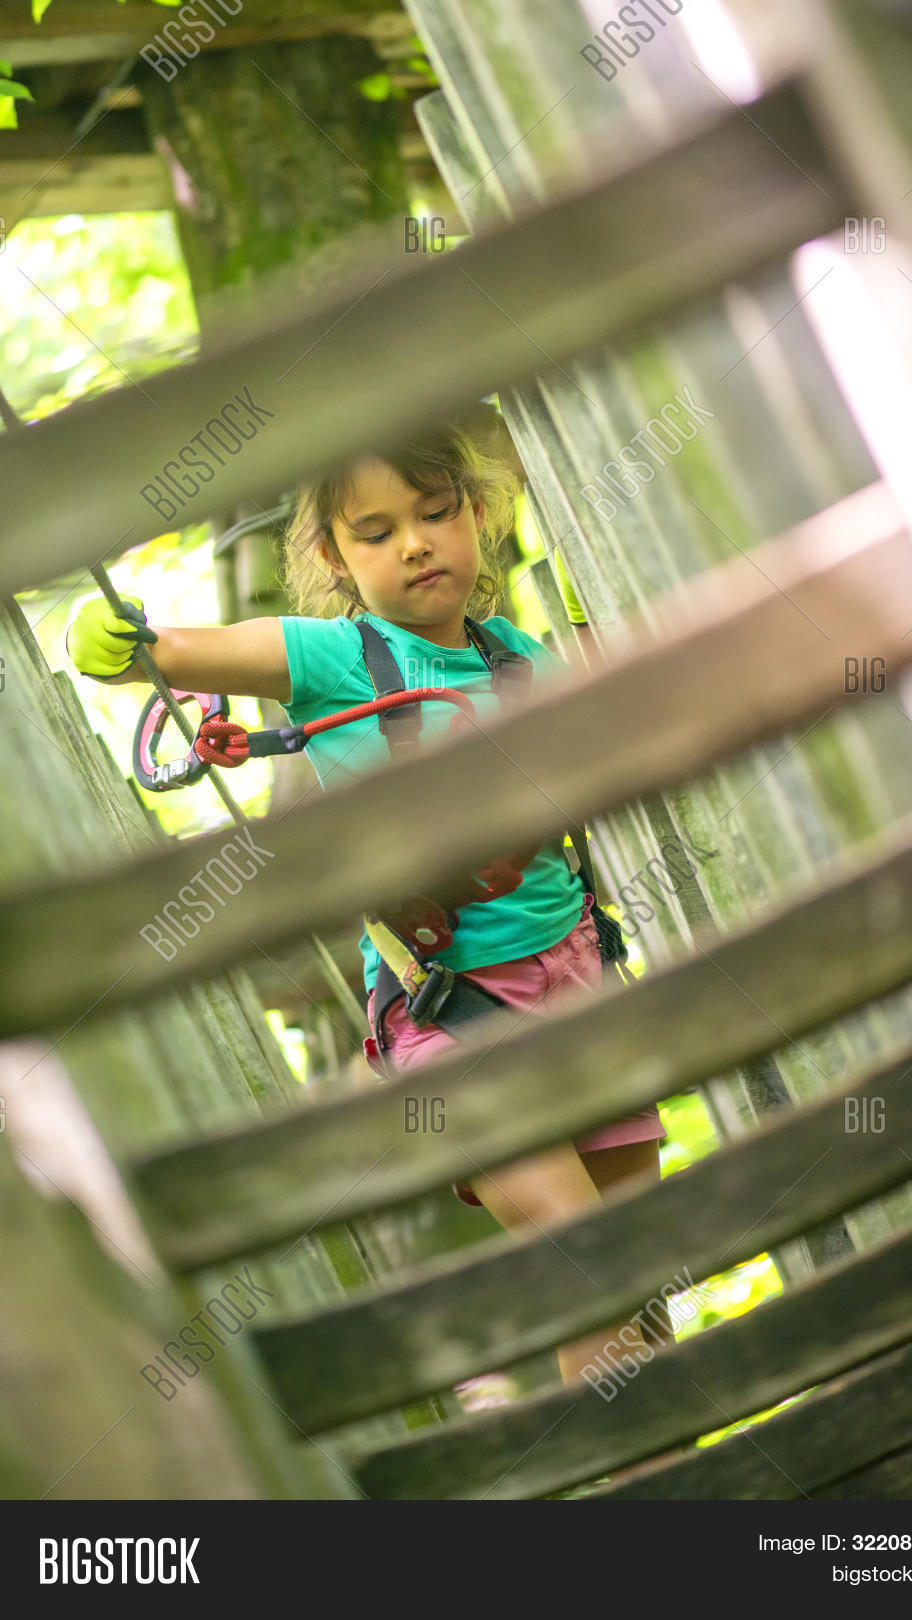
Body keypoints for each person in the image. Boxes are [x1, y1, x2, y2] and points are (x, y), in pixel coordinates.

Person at [66, 423, 668, 1387]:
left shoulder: (519, 660)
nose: (416, 545)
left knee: (631, 1266)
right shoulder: (331, 659)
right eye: (377, 532)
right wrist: (112, 643)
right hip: (456, 1013)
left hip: (578, 979)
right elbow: (175, 653)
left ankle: (669, 1468)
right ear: (333, 558)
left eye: (436, 514)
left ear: (478, 515)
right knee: (581, 1249)